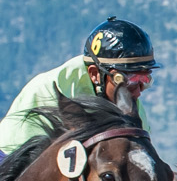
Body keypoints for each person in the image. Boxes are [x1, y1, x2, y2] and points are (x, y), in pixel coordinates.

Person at [0, 16, 160, 156]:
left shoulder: (132, 107)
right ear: (95, 74)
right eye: (132, 80)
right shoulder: (46, 92)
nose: (138, 92)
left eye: (145, 80)